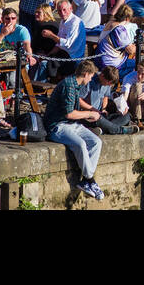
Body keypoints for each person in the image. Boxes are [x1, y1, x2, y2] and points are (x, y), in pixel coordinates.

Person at [43, 60, 105, 200]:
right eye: (90, 76)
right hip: (57, 126)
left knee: (96, 142)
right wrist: (89, 114)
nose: (90, 79)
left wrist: (89, 110)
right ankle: (89, 180)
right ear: (86, 74)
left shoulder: (75, 84)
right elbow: (69, 114)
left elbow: (76, 108)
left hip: (72, 124)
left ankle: (87, 180)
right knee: (81, 145)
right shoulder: (68, 86)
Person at [95, 5, 138, 78]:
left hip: (101, 61)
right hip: (111, 65)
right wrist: (139, 42)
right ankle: (121, 84)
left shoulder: (110, 23)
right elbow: (131, 50)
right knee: (138, 64)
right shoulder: (119, 30)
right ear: (127, 19)